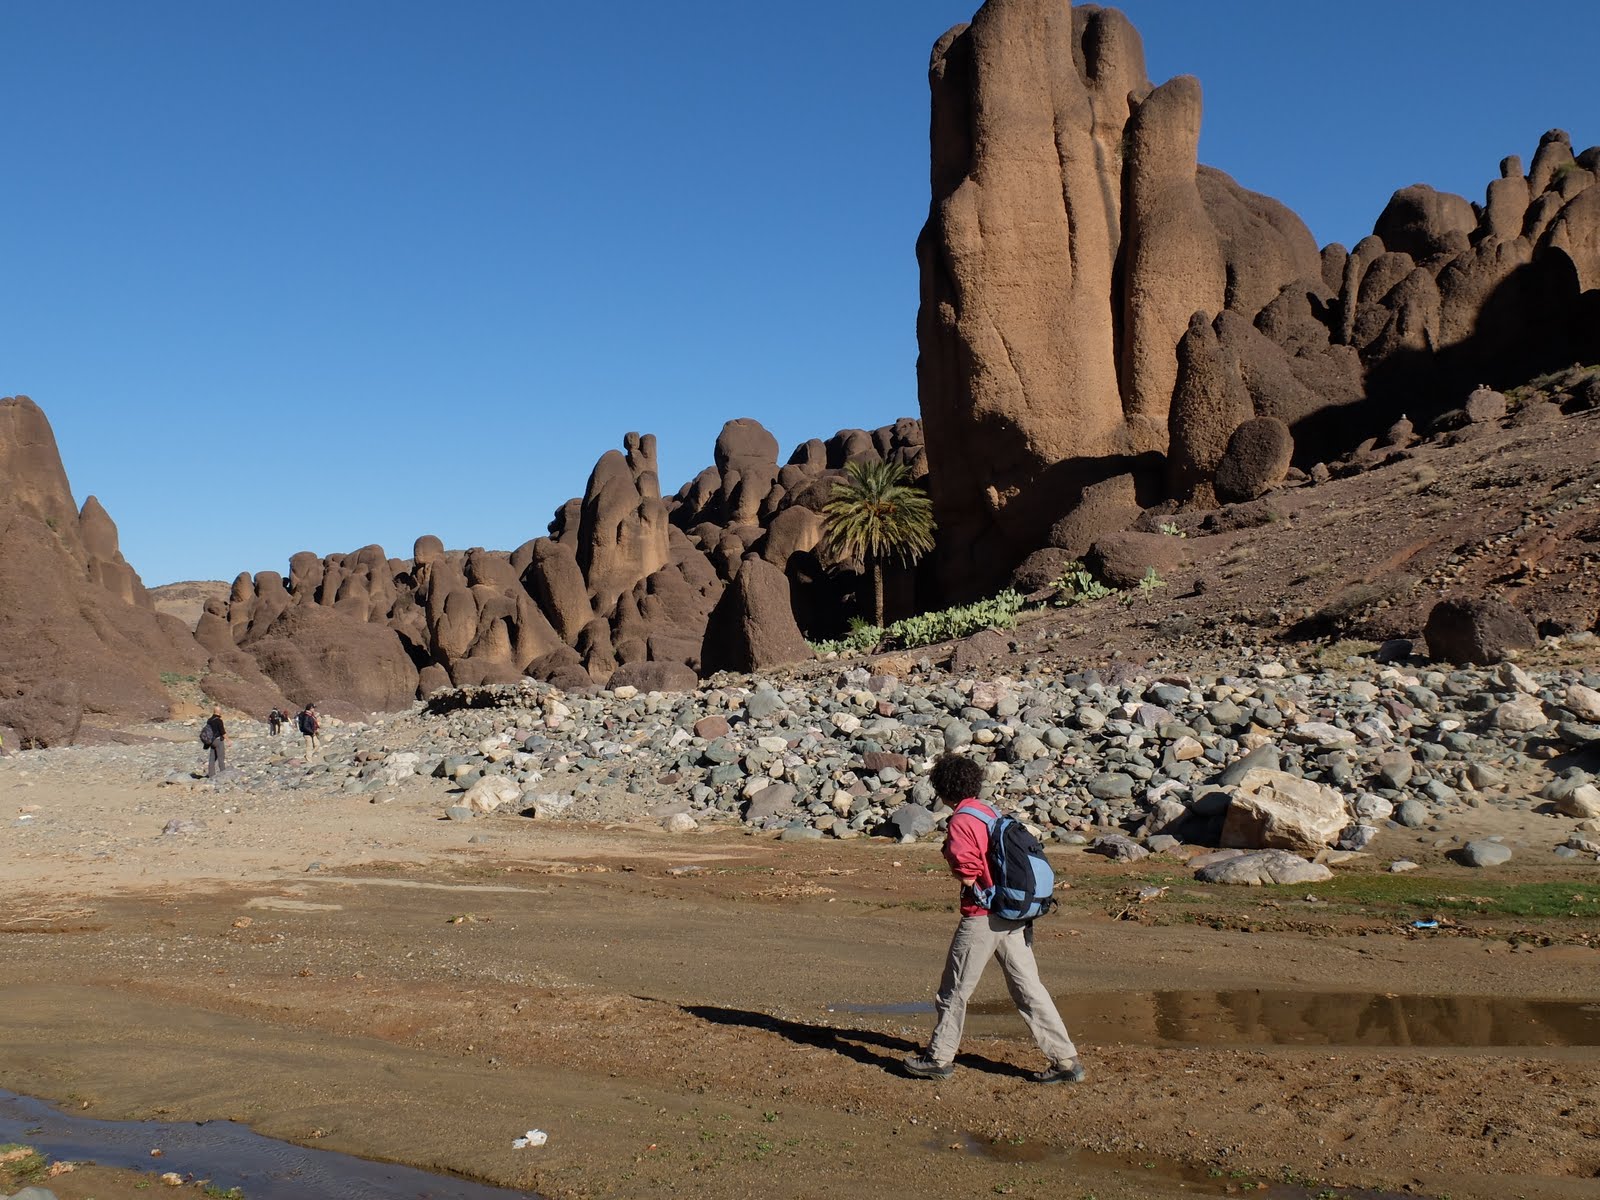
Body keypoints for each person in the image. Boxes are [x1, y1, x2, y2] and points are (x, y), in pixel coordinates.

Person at [903, 753, 1084, 1084]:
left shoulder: (960, 820)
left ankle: (939, 1058)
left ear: (942, 788)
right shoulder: (988, 811)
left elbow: (966, 867)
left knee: (954, 989)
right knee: (1029, 988)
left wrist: (970, 883)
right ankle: (1065, 1060)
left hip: (983, 916)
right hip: (1011, 912)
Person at [204, 707, 227, 778]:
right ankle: (223, 773)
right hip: (218, 740)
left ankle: (211, 774)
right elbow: (222, 732)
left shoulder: (209, 720)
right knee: (221, 757)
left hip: (211, 741)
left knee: (212, 758)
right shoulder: (219, 721)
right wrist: (228, 740)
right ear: (219, 711)